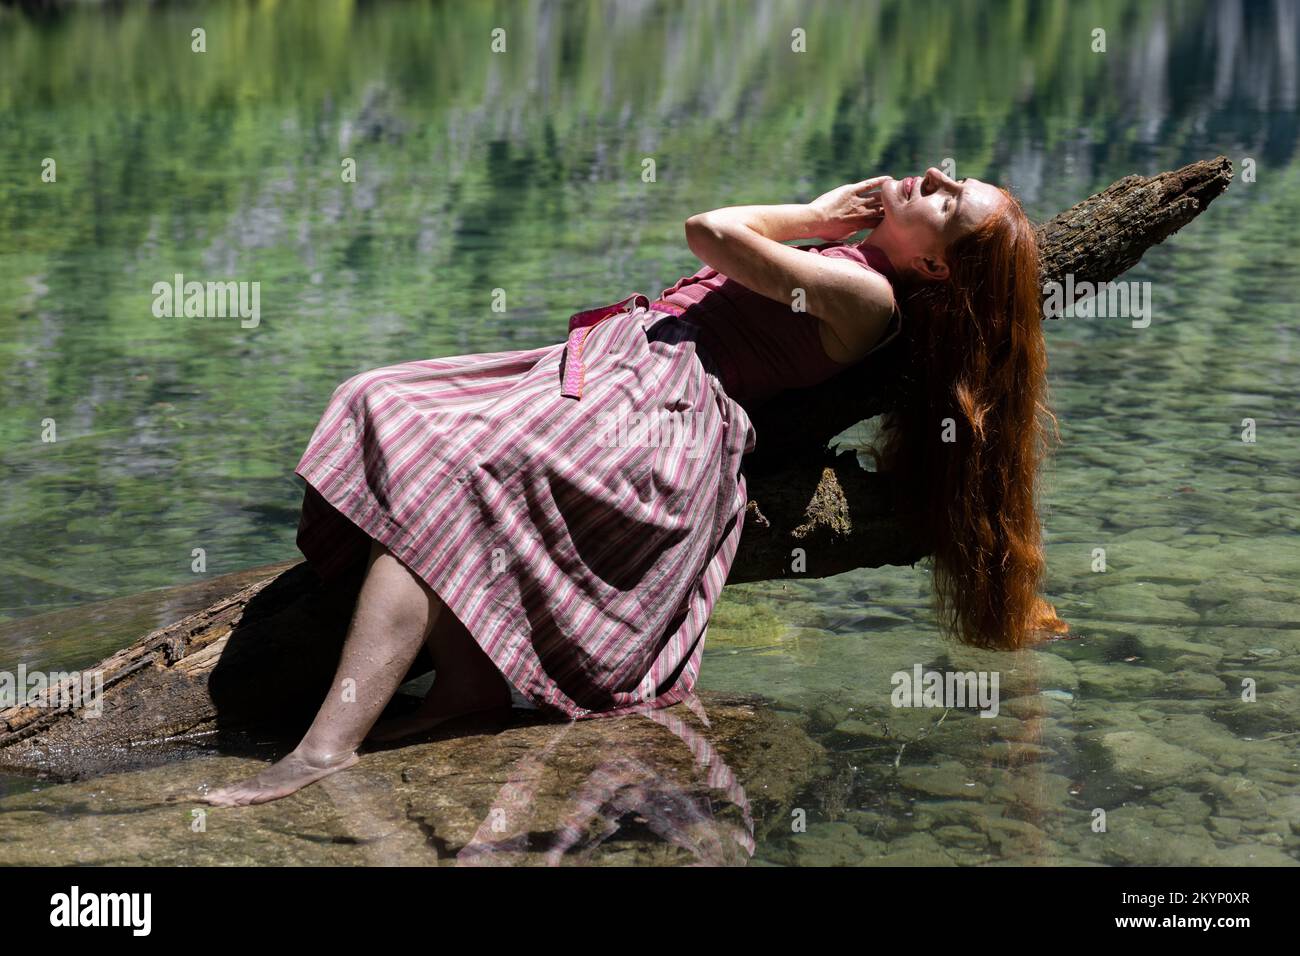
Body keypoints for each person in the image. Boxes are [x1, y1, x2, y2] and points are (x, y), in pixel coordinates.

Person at [202, 167, 1065, 807]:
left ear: (938, 271)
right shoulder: (856, 265)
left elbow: (710, 232)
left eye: (950, 203)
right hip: (625, 364)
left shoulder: (865, 293)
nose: (936, 179)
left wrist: (811, 214)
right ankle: (465, 693)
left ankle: (327, 748)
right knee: (381, 398)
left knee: (457, 472)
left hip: (663, 403)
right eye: (953, 180)